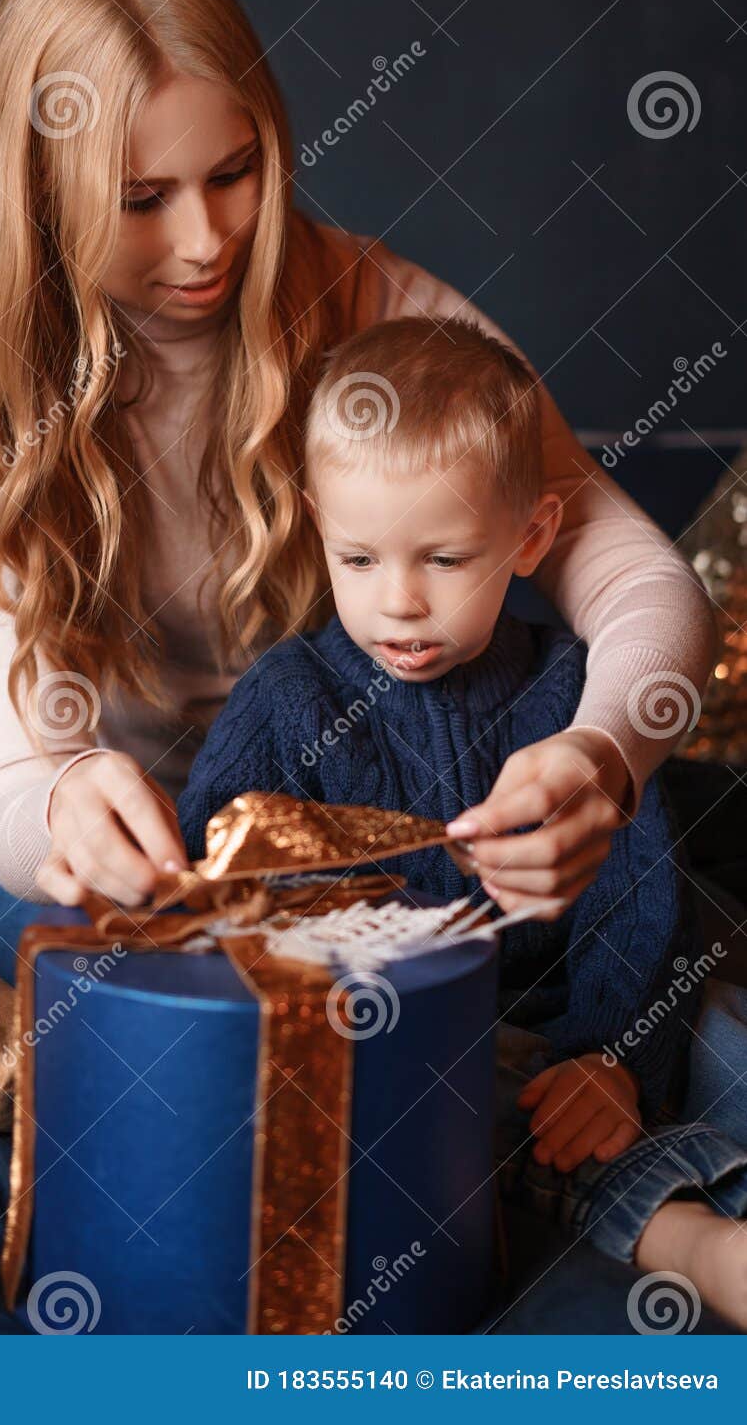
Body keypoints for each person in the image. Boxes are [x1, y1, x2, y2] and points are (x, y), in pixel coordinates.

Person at [0, 0, 716, 980]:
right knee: (205, 1011)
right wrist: (58, 806)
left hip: (320, 806)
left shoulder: (375, 306)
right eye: (141, 201)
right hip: (55, 834)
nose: (204, 242)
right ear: (42, 197)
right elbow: (16, 779)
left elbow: (638, 576)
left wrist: (603, 752)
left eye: (233, 172)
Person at [174, 315, 747, 1329]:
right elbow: (216, 876)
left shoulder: (572, 690)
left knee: (722, 1045)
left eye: (443, 558)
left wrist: (613, 1056)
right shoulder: (284, 698)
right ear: (316, 525)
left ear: (528, 537)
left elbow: (636, 901)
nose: (397, 602)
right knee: (461, 1120)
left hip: (583, 1010)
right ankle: (680, 1230)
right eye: (357, 558)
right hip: (392, 1038)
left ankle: (651, 1131)